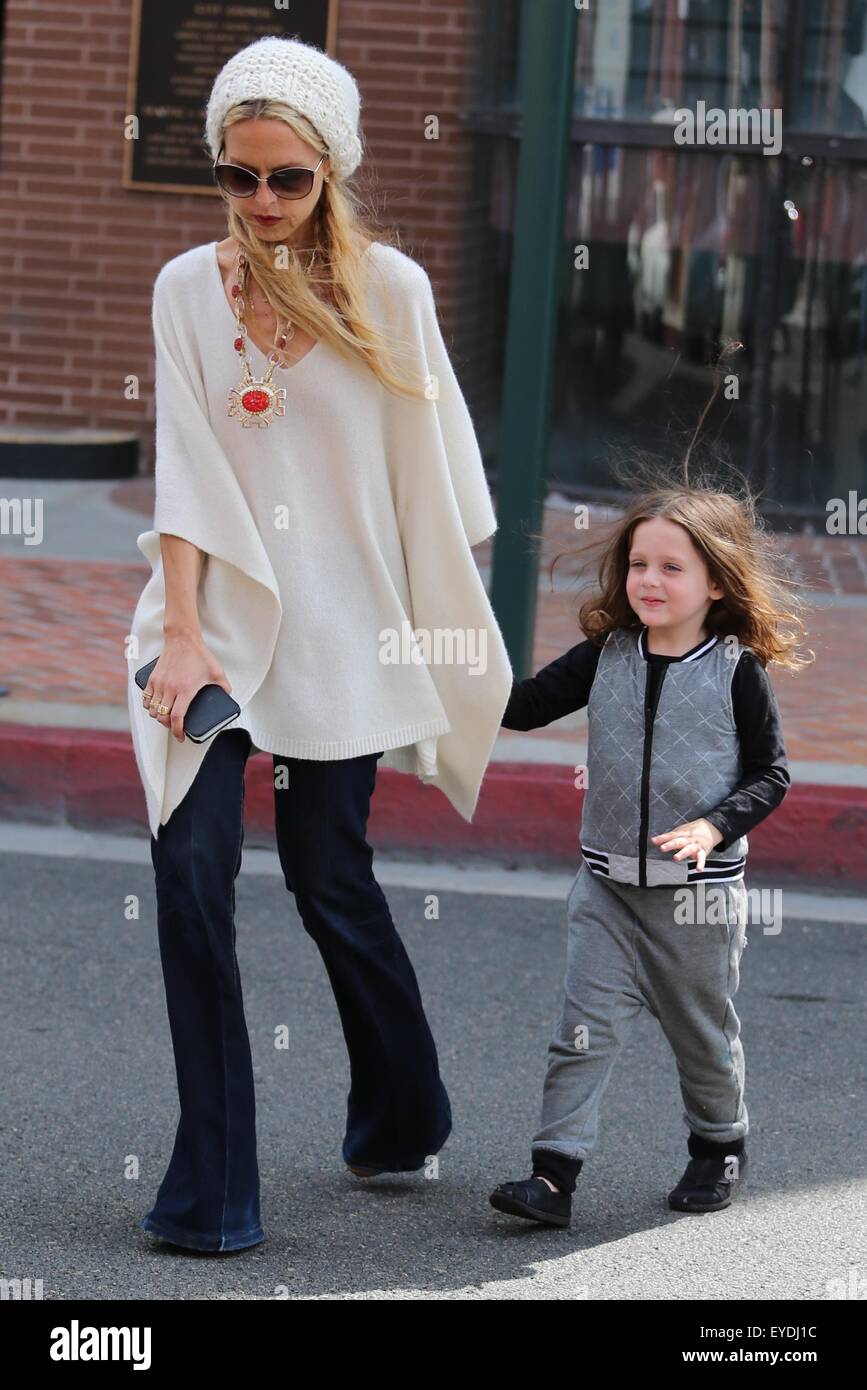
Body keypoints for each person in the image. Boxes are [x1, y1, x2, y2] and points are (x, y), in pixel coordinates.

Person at [126, 34, 511, 1253]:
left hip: (342, 629)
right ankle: (213, 1191)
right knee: (188, 879)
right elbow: (182, 473)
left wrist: (439, 640)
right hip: (216, 628)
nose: (261, 204)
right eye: (238, 177)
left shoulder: (390, 290)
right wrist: (180, 638)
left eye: (287, 179)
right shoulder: (186, 289)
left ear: (332, 172)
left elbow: (439, 488)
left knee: (327, 873)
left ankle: (404, 1108)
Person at [489, 472, 812, 1228]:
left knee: (701, 1033)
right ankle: (553, 1176)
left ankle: (717, 1145)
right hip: (604, 888)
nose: (649, 580)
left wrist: (711, 827)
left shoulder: (736, 671)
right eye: (639, 564)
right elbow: (527, 708)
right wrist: (451, 676)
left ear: (716, 584)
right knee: (579, 1034)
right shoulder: (605, 652)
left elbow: (772, 773)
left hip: (696, 897)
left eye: (672, 567)